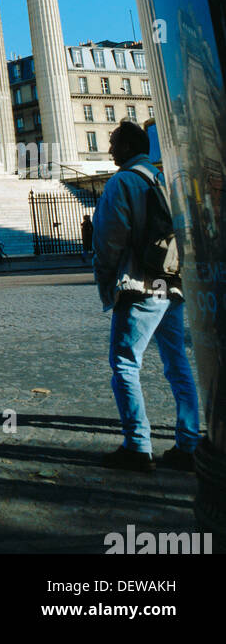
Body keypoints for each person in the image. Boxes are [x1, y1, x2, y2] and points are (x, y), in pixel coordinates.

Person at [93, 120, 201, 472]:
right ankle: (189, 442)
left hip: (139, 286)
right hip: (170, 285)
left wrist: (109, 279)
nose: (108, 149)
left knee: (125, 363)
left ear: (126, 147)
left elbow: (109, 240)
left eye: (112, 143)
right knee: (177, 365)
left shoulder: (123, 181)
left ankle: (138, 445)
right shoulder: (163, 178)